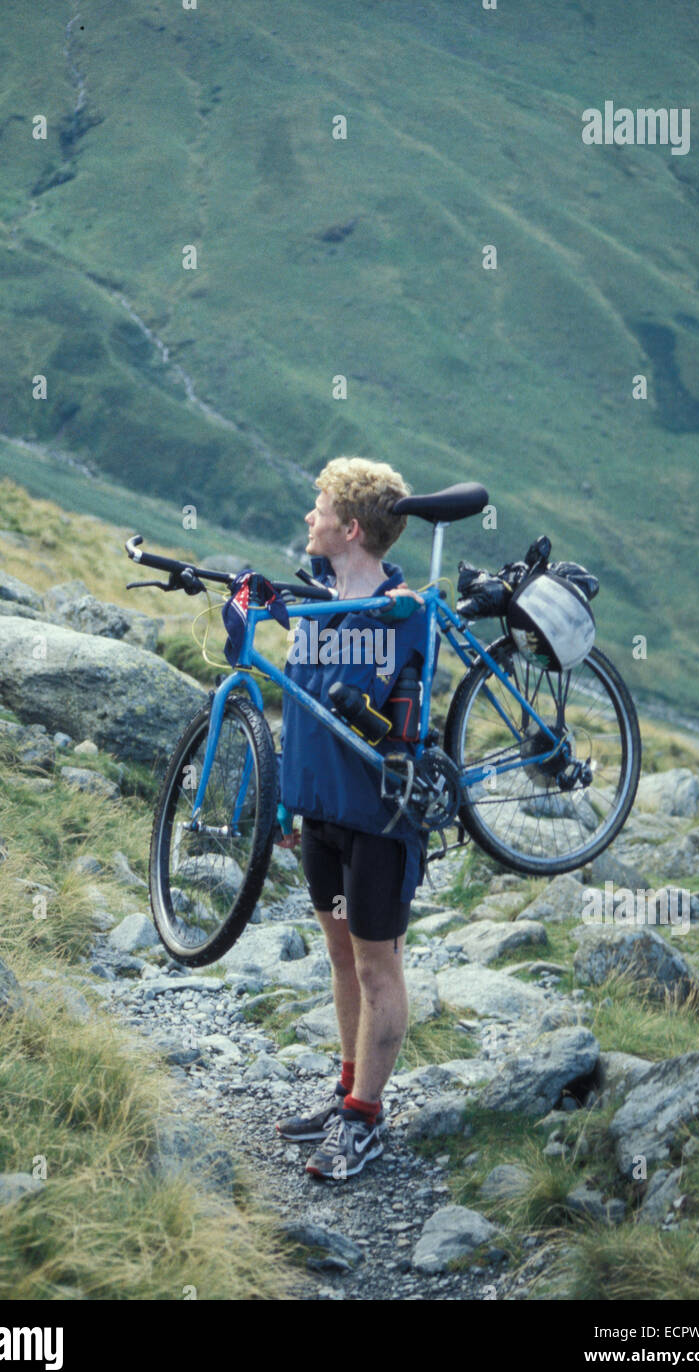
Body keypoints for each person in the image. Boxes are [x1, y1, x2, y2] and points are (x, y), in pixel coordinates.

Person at [275, 456, 438, 1181]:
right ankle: (345, 1093)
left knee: (377, 965)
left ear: (349, 527)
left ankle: (365, 1119)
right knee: (341, 957)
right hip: (322, 813)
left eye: (318, 506)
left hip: (379, 818)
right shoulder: (313, 602)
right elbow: (298, 708)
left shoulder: (406, 614)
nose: (307, 516)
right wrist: (287, 795)